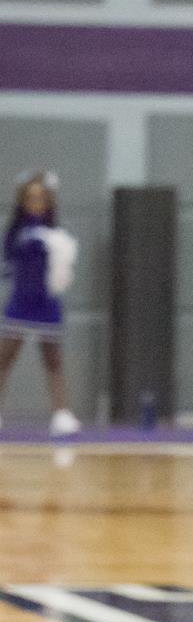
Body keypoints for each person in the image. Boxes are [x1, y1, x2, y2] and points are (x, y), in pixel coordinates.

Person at [0, 170, 80, 436]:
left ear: (48, 201)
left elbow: (63, 270)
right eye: (30, 198)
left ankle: (61, 414)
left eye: (40, 198)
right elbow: (8, 264)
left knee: (53, 361)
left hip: (46, 304)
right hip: (20, 302)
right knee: (4, 359)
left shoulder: (55, 232)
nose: (35, 203)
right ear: (22, 201)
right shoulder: (16, 231)